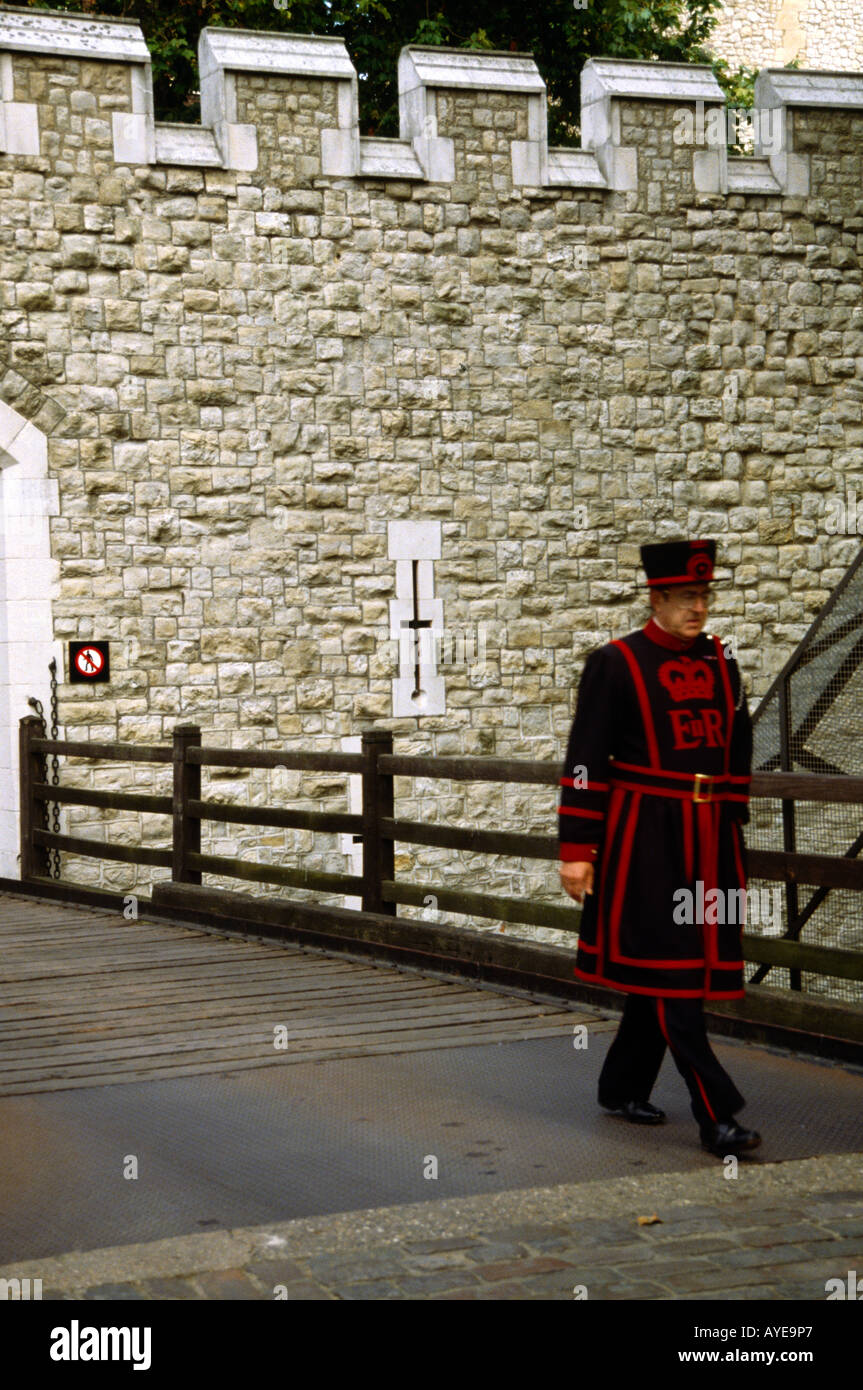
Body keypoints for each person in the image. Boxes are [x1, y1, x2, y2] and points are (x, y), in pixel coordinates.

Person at [558, 539, 761, 1158]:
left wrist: (734, 823)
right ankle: (716, 1115)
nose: (697, 608)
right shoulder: (615, 663)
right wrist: (577, 846)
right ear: (657, 598)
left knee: (666, 970)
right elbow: (587, 761)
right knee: (676, 974)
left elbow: (739, 748)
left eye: (703, 597)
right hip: (645, 839)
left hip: (710, 841)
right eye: (684, 598)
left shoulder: (723, 663)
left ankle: (621, 1086)